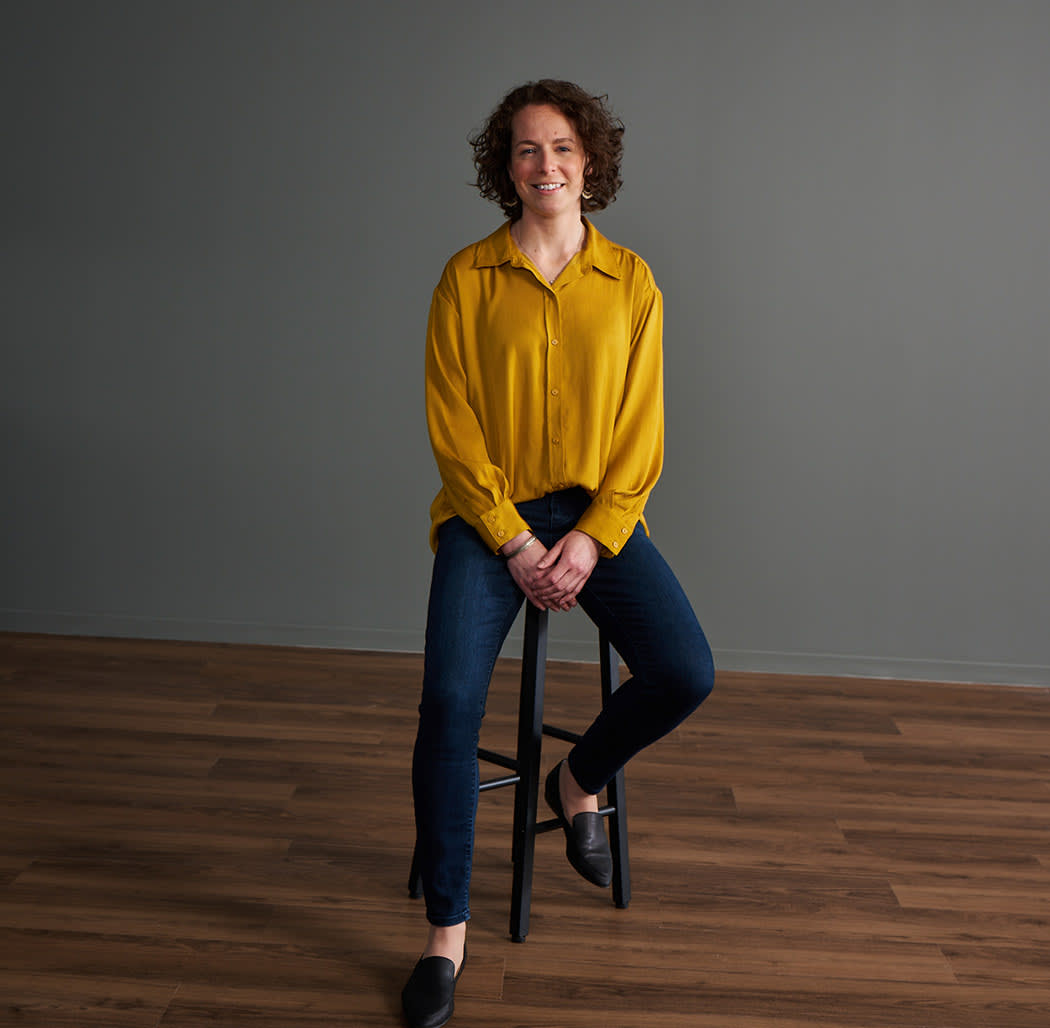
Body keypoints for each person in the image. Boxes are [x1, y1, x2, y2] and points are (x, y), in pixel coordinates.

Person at [401, 79, 715, 1028]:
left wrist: (585, 538)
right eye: (528, 150)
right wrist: (511, 539)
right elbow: (452, 429)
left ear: (592, 163)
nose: (546, 165)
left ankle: (576, 780)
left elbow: (642, 432)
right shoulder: (466, 277)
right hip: (486, 516)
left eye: (563, 148)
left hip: (595, 514)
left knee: (685, 671)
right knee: (451, 700)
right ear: (507, 167)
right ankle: (445, 933)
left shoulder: (634, 283)